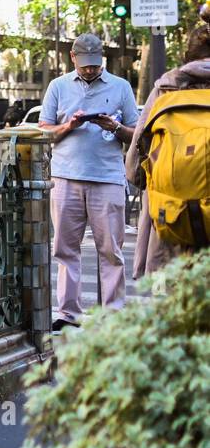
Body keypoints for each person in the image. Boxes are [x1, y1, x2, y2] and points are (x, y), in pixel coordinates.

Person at [38, 32, 139, 330]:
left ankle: (113, 315)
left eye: (95, 65)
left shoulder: (121, 87)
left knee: (111, 250)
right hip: (66, 177)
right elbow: (44, 130)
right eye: (85, 65)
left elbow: (137, 134)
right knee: (65, 249)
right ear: (72, 58)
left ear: (102, 60)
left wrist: (116, 126)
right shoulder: (57, 87)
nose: (90, 70)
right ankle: (69, 314)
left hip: (107, 177)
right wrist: (70, 124)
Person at [125, 6, 210, 277]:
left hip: (170, 214)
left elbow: (139, 150)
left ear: (187, 55)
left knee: (171, 292)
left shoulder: (166, 86)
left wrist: (141, 177)